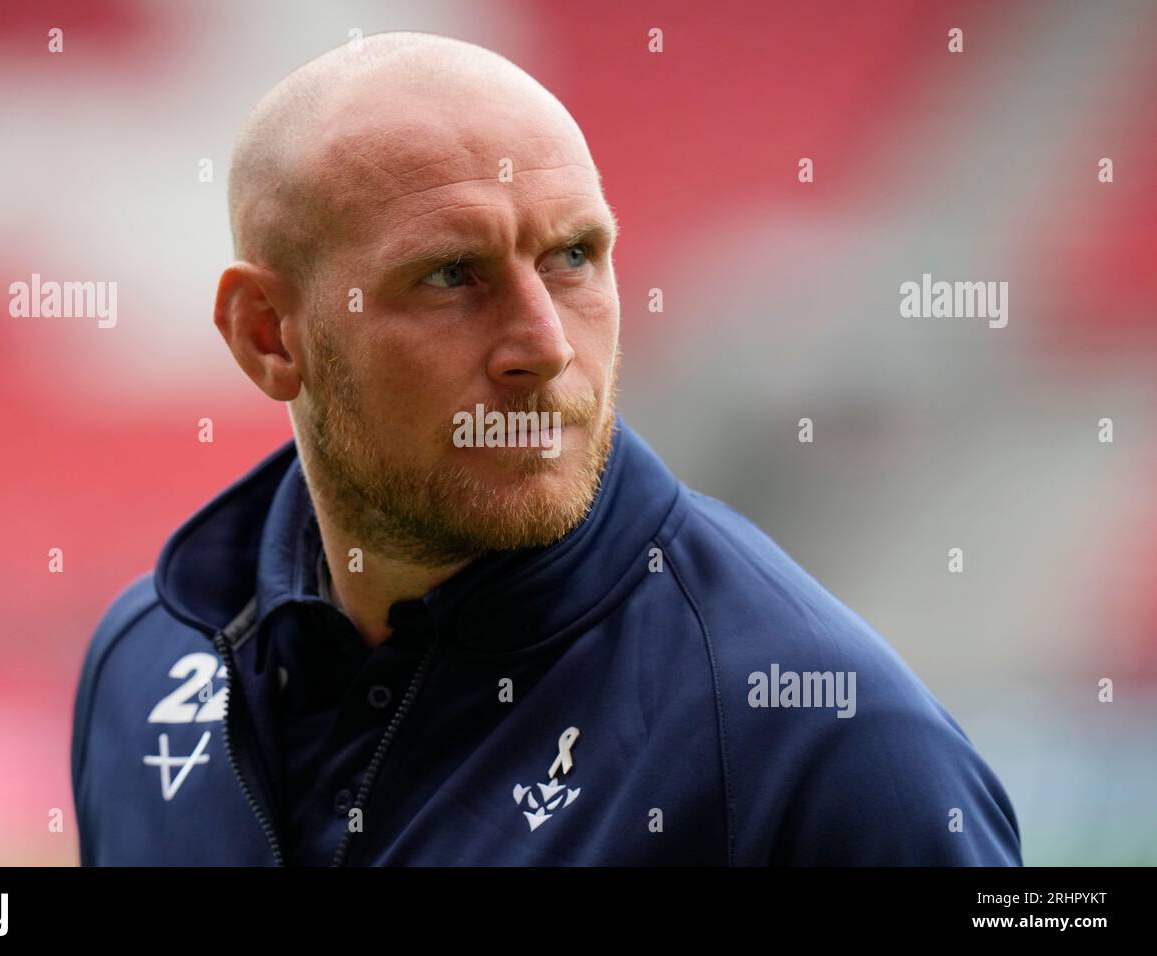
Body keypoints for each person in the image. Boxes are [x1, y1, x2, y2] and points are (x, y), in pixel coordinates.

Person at [71, 31, 1022, 866]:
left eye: (573, 257)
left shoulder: (823, 742)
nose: (547, 346)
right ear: (269, 335)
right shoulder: (144, 663)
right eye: (451, 276)